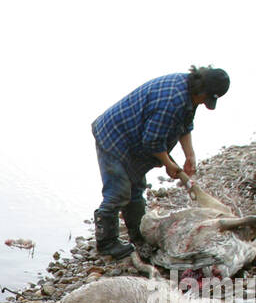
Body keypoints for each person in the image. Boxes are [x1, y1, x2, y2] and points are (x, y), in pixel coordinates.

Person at [91, 66, 230, 258]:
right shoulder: (172, 100)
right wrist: (168, 163)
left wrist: (190, 155)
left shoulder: (190, 93)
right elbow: (152, 140)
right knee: (118, 191)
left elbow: (185, 125)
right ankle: (106, 243)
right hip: (115, 137)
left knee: (136, 188)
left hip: (134, 139)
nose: (205, 103)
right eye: (207, 99)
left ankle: (138, 236)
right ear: (202, 90)